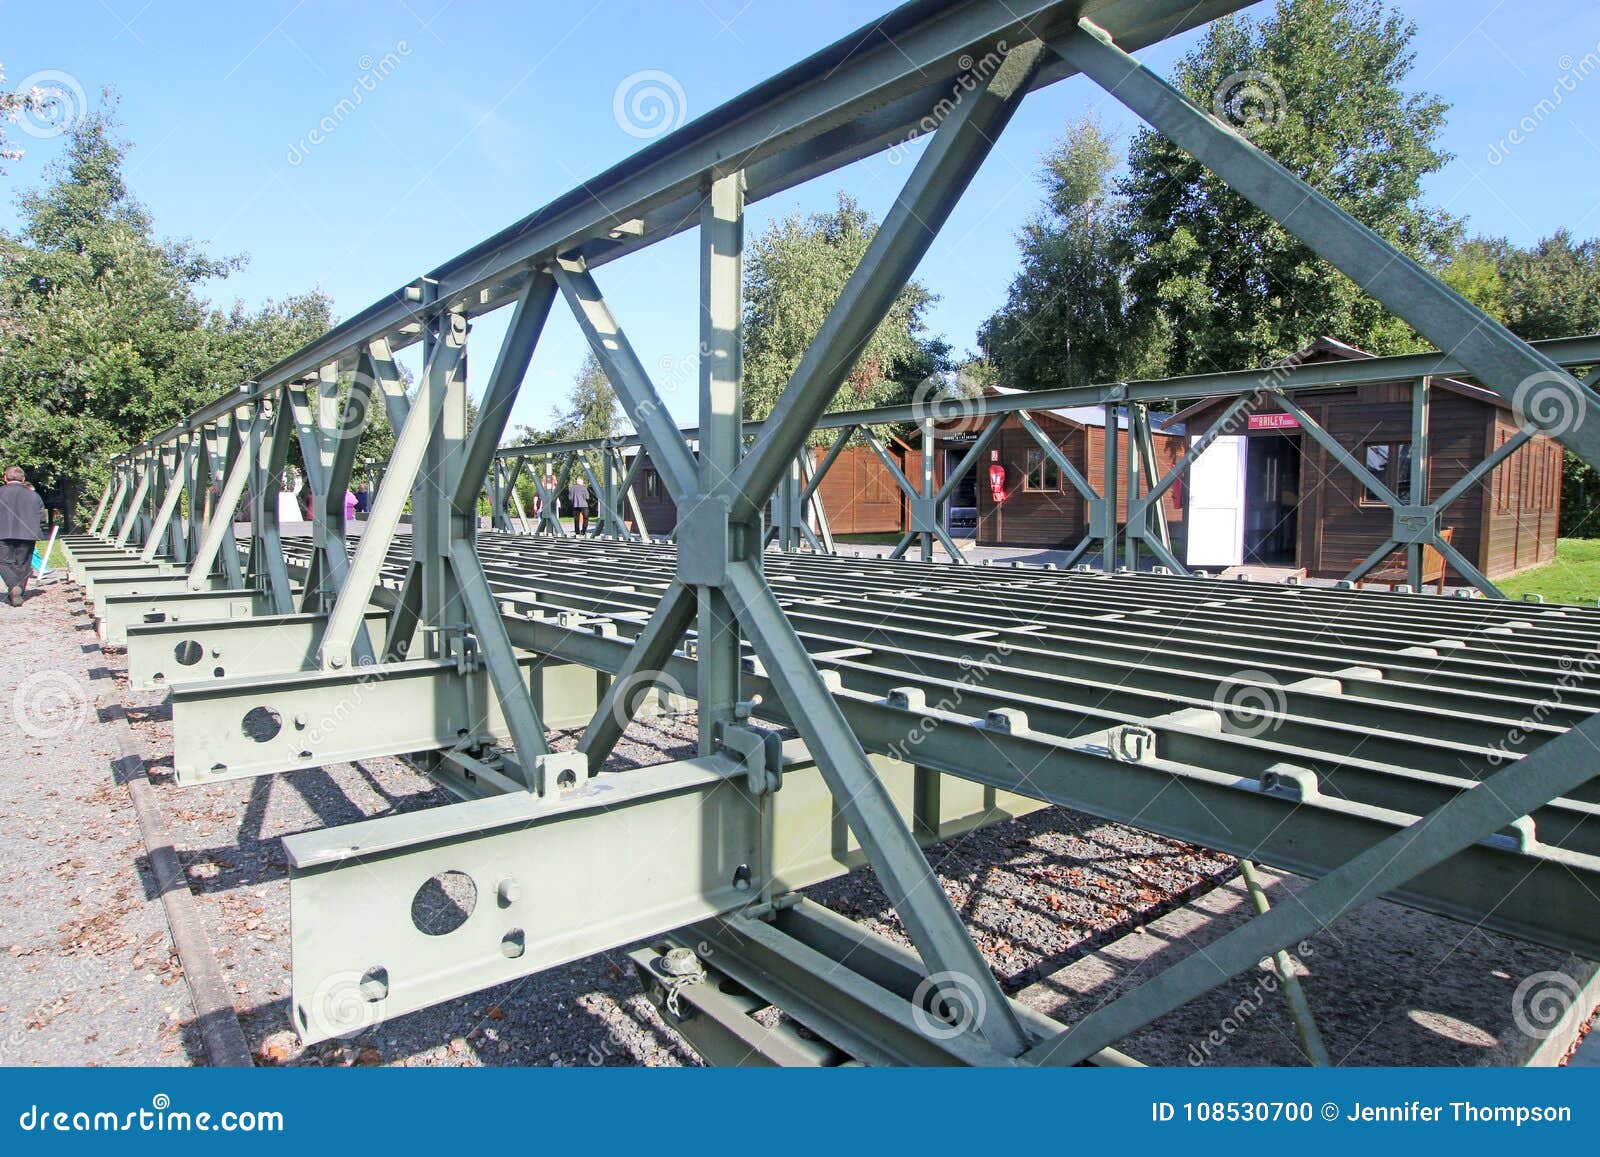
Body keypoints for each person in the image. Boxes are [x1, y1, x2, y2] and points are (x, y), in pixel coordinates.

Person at [0, 466, 46, 606]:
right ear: (23, 479)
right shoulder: (33, 495)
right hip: (27, 534)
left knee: (4, 562)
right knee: (24, 563)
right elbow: (42, 517)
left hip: (2, 533)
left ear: (5, 478)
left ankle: (14, 586)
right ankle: (18, 588)